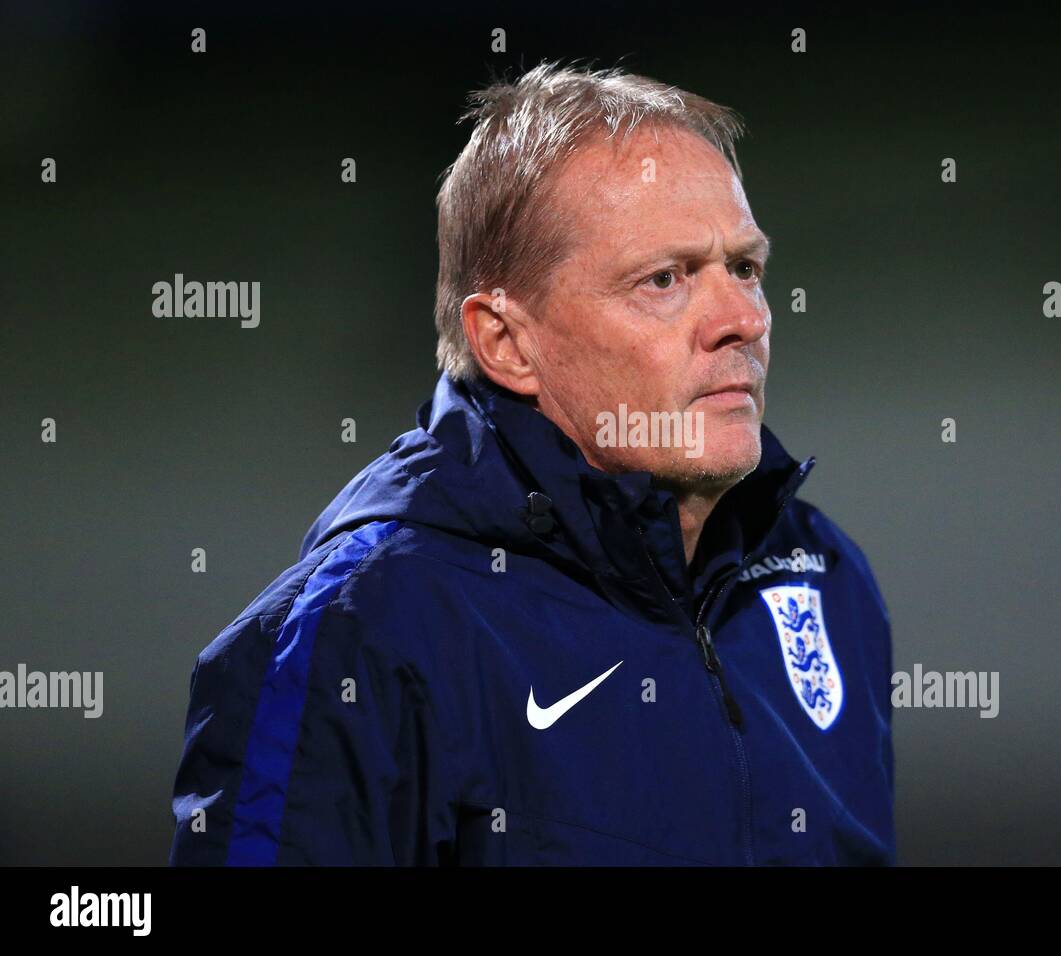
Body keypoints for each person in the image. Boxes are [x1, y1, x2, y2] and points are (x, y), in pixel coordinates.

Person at [168, 61, 895, 866]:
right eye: (664, 279)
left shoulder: (822, 575)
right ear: (508, 342)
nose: (742, 321)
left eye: (745, 268)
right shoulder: (358, 635)